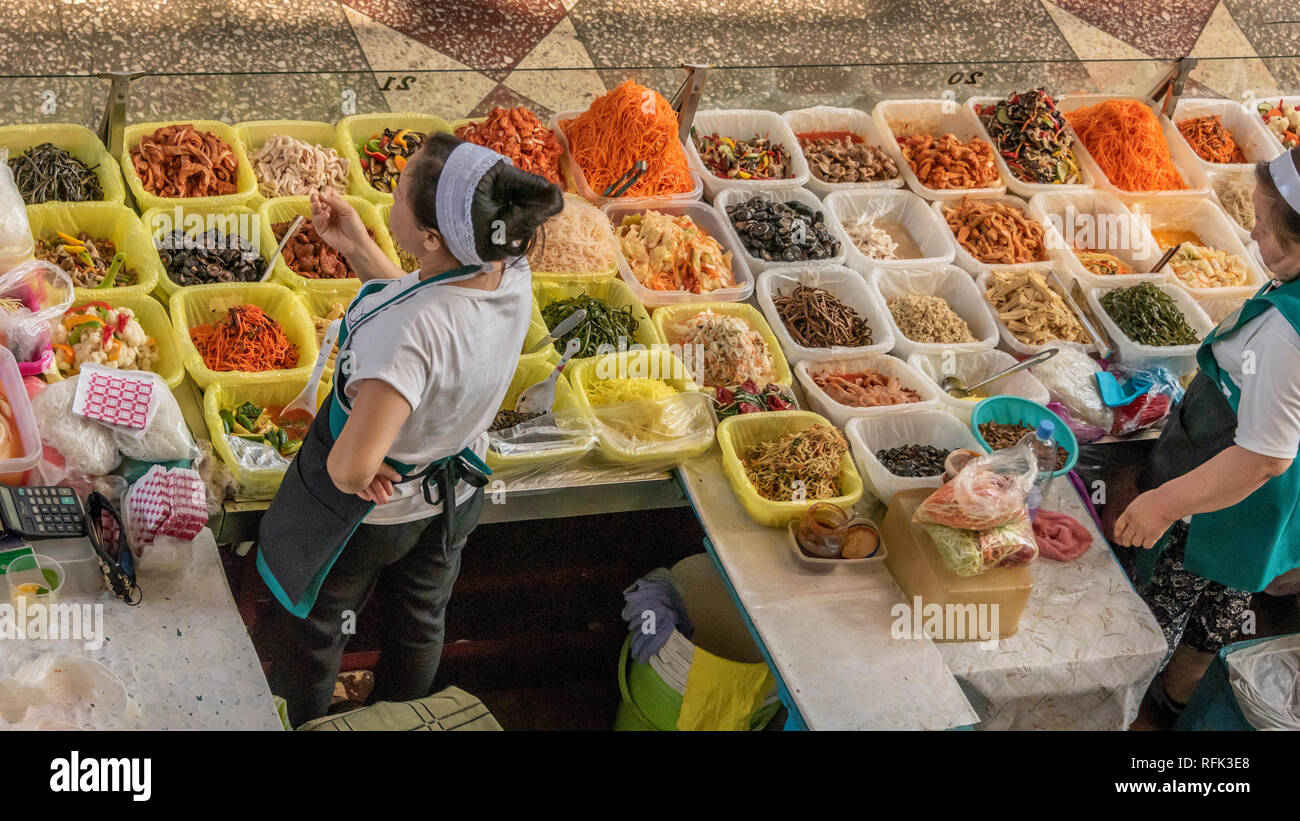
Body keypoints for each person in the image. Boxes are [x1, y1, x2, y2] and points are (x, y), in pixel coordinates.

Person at [257, 133, 563, 726]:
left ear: (431, 237)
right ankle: (400, 721)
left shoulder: (412, 336)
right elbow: (429, 291)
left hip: (373, 517)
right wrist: (359, 248)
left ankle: (306, 724)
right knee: (421, 621)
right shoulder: (507, 268)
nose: (388, 197)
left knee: (317, 633)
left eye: (397, 189)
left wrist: (359, 467)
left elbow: (349, 466)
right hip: (452, 497)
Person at [1115, 146, 1300, 718]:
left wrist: (1163, 504)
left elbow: (1263, 458)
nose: (1252, 231)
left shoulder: (1284, 335)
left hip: (1221, 495)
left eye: (1264, 226)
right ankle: (1175, 702)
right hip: (1264, 505)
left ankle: (1123, 705)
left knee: (1157, 611)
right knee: (1224, 597)